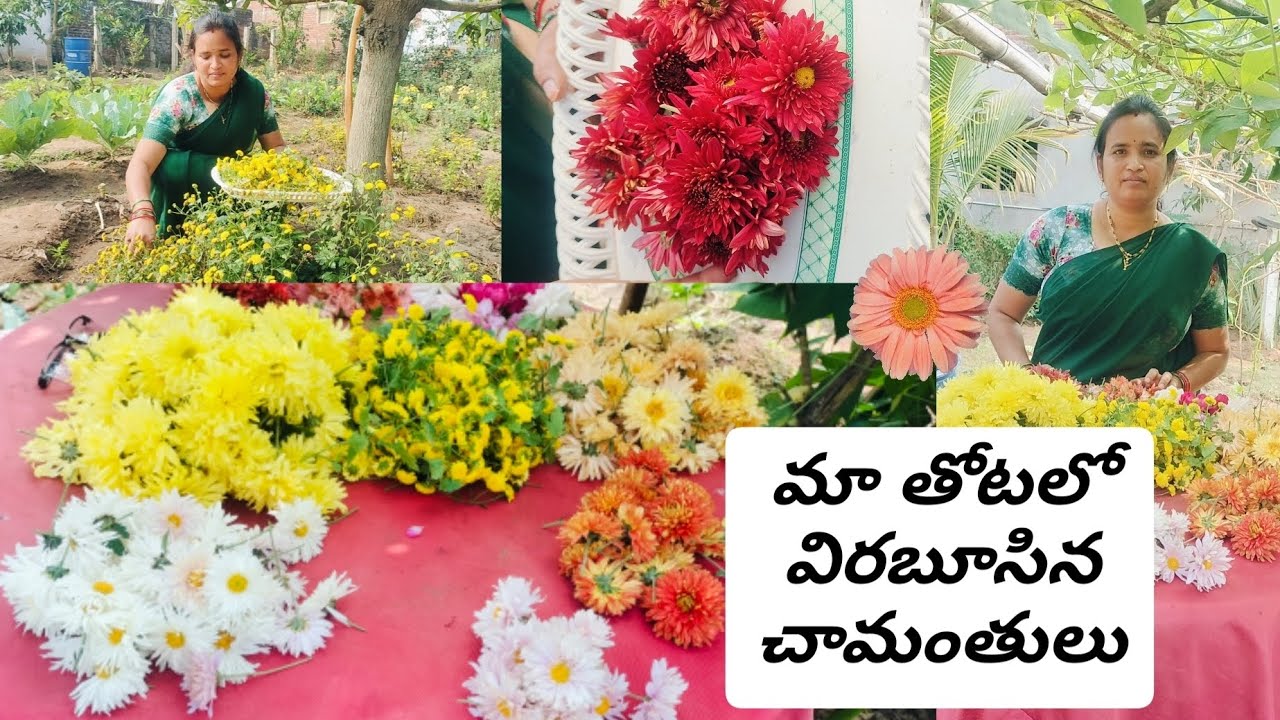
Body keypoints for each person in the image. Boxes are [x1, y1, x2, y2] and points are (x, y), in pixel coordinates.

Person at [987, 95, 1229, 391]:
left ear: (1170, 166)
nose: (1134, 164)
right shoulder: (1058, 229)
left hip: (1140, 418)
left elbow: (1215, 350)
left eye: (1150, 151)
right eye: (1120, 151)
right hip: (1050, 413)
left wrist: (1178, 381)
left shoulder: (1192, 255)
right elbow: (1003, 314)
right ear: (1101, 164)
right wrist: (1027, 378)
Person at [124, 12, 286, 245]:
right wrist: (141, 212)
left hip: (236, 192)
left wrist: (292, 174)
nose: (215, 65)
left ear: (239, 56)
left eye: (225, 55)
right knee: (171, 164)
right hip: (180, 197)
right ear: (193, 57)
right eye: (205, 56)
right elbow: (140, 163)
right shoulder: (179, 96)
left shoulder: (254, 94)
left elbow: (276, 147)